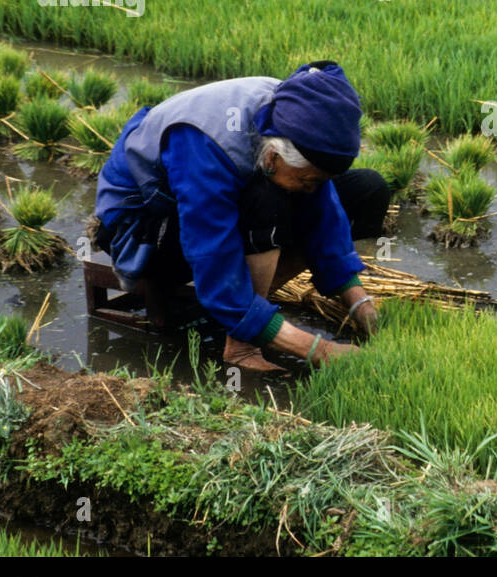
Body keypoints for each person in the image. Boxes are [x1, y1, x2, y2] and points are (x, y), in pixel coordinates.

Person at [93, 60, 390, 372]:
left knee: (366, 189)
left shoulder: (291, 112)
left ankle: (252, 310)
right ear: (274, 156)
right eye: (307, 179)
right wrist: (319, 350)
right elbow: (210, 250)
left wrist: (360, 304)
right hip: (144, 228)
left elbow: (323, 211)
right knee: (269, 197)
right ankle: (241, 340)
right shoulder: (204, 145)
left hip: (215, 206)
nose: (310, 189)